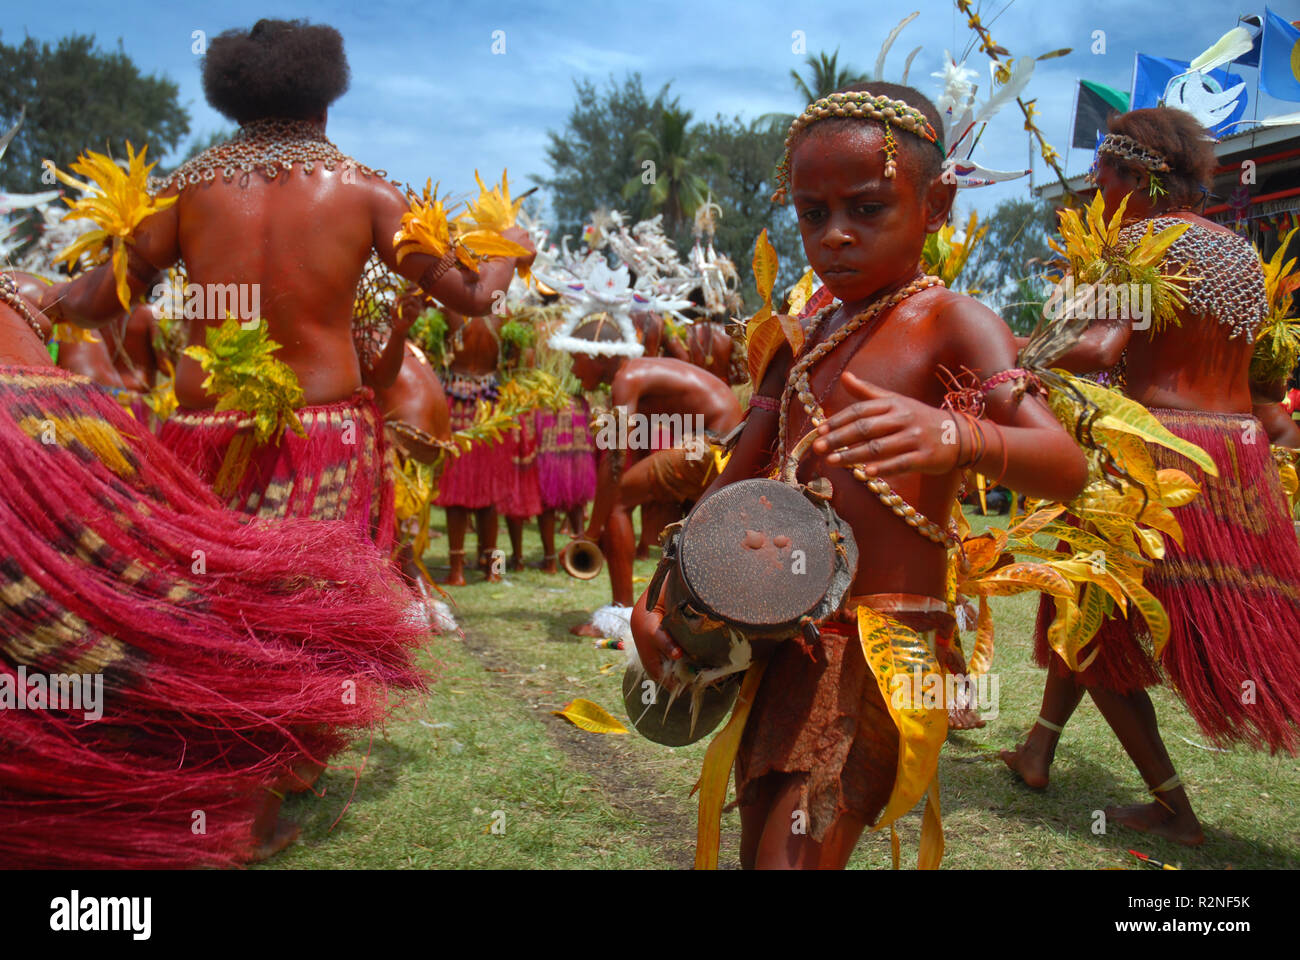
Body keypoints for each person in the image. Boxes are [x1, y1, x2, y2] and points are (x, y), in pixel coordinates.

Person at [631, 82, 1088, 869]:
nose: (835, 236)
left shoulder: (955, 323)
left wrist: (957, 433)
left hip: (880, 649)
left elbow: (1066, 467)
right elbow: (735, 480)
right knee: (764, 841)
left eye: (867, 209)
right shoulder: (799, 337)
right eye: (813, 214)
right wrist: (657, 597)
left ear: (936, 203)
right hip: (776, 633)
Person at [39, 18, 533, 551]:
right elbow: (479, 295)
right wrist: (511, 245)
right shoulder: (368, 193)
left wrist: (23, 295)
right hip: (322, 446)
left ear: (234, 105)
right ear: (323, 107)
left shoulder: (181, 193)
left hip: (203, 439)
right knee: (316, 623)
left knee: (205, 614)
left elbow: (90, 305)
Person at [0, 268, 426, 867]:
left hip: (48, 432)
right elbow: (92, 298)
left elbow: (106, 295)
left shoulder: (186, 204)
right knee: (167, 615)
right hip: (41, 428)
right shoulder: (21, 285)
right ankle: (242, 785)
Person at [1003, 107, 1300, 845]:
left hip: (1155, 453)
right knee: (1087, 603)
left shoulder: (1137, 240)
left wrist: (1023, 350)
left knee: (1097, 622)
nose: (1094, 189)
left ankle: (1173, 807)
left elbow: (1101, 345)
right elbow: (1268, 380)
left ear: (1137, 178)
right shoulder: (1242, 256)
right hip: (1235, 456)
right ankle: (1039, 750)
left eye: (1102, 173)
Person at [564, 318, 742, 635]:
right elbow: (632, 448)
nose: (573, 371)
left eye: (575, 360)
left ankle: (619, 618)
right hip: (724, 445)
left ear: (596, 356)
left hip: (711, 445)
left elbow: (615, 460)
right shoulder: (636, 373)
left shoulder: (626, 378)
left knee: (618, 501)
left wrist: (591, 532)